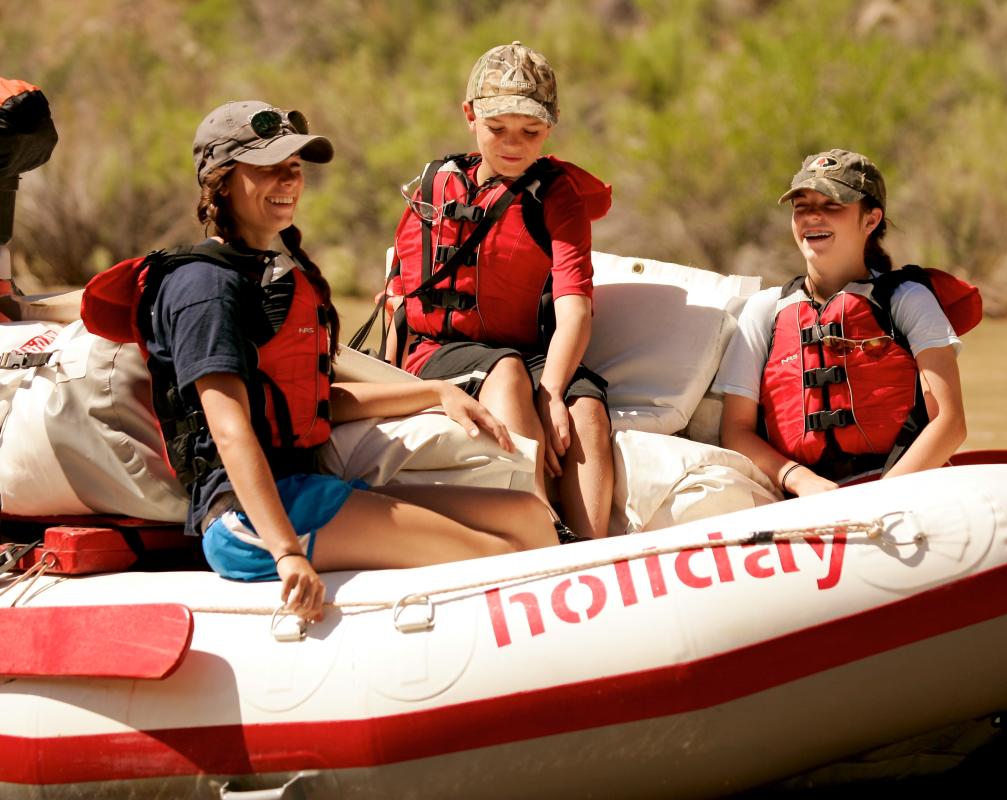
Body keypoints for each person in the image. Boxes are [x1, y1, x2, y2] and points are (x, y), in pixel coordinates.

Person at [83, 100, 557, 623]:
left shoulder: (270, 274)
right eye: (267, 167)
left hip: (307, 492)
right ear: (221, 180)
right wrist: (286, 552)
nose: (287, 180)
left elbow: (312, 404)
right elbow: (230, 429)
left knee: (528, 516)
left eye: (293, 167)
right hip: (249, 521)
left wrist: (436, 393)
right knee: (499, 560)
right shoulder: (204, 287)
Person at [386, 42, 614, 539]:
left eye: (530, 132)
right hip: (436, 351)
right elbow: (399, 298)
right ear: (470, 116)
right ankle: (545, 534)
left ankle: (593, 551)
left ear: (551, 126)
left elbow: (575, 310)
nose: (514, 143)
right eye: (498, 129)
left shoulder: (558, 197)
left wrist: (553, 392)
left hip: (525, 350)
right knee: (506, 371)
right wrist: (387, 386)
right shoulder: (432, 188)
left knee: (586, 409)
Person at [714, 149, 976, 497]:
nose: (812, 218)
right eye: (801, 207)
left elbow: (950, 422)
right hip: (800, 494)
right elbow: (735, 429)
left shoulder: (906, 299)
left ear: (870, 220)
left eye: (832, 205)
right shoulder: (766, 310)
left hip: (900, 490)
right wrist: (799, 479)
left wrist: (876, 500)